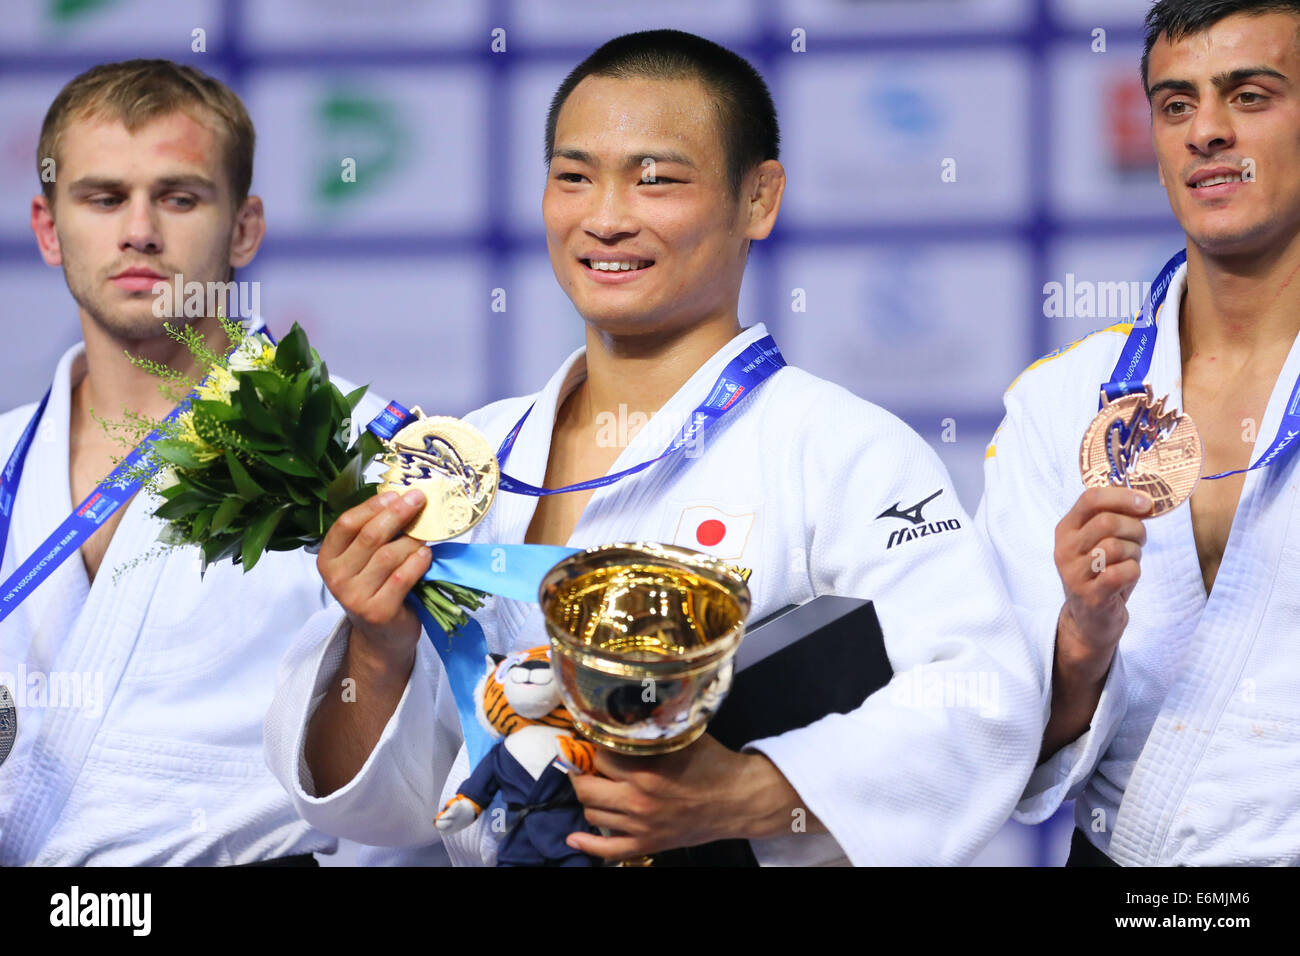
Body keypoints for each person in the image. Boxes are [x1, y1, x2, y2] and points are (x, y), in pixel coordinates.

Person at [266, 29, 1042, 866]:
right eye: (573, 176)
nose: (604, 217)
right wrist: (376, 644)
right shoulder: (467, 458)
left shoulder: (842, 451)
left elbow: (983, 702)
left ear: (760, 198)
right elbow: (382, 806)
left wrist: (741, 794)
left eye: (657, 179)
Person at [0, 59, 388, 865]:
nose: (139, 230)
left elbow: (414, 775)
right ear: (47, 227)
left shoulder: (349, 459)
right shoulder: (6, 455)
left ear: (243, 227)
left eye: (179, 198)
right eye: (103, 198)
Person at [978, 0, 1300, 865]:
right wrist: (1080, 640)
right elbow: (996, 732)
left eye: (1252, 96)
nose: (1207, 131)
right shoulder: (1058, 403)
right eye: (1176, 104)